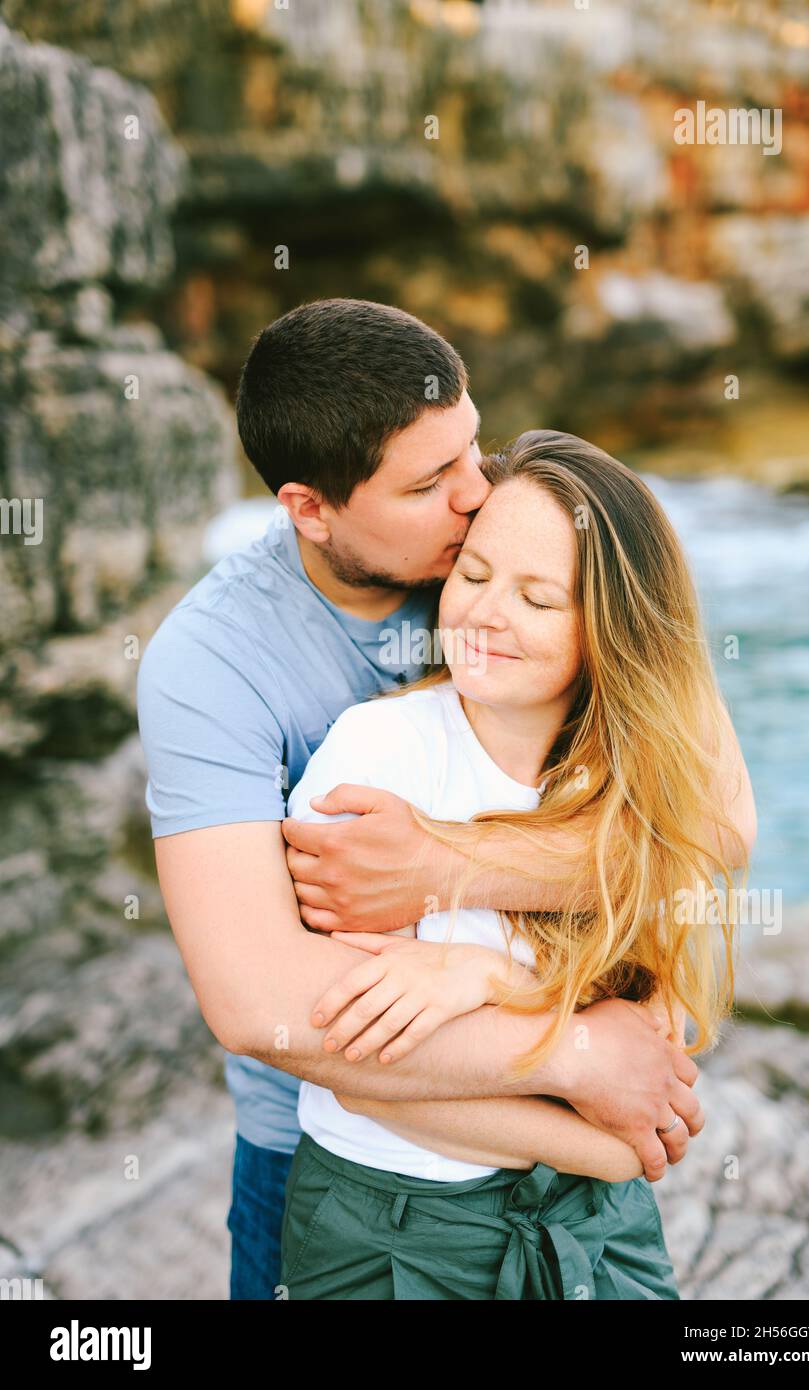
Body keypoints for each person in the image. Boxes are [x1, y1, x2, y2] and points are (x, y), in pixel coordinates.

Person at [136, 300, 732, 1301]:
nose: (474, 496)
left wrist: (455, 877)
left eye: (472, 445)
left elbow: (709, 827)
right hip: (347, 1163)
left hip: (571, 1149)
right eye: (428, 483)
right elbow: (262, 1005)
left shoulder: (522, 536)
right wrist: (579, 1056)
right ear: (309, 509)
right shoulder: (211, 664)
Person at [276, 429, 756, 1300]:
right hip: (396, 1228)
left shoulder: (632, 795)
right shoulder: (379, 759)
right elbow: (353, 1072)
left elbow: (653, 1059)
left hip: (596, 1226)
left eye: (538, 598)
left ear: (609, 629)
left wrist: (479, 979)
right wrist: (583, 1089)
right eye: (474, 575)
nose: (487, 614)